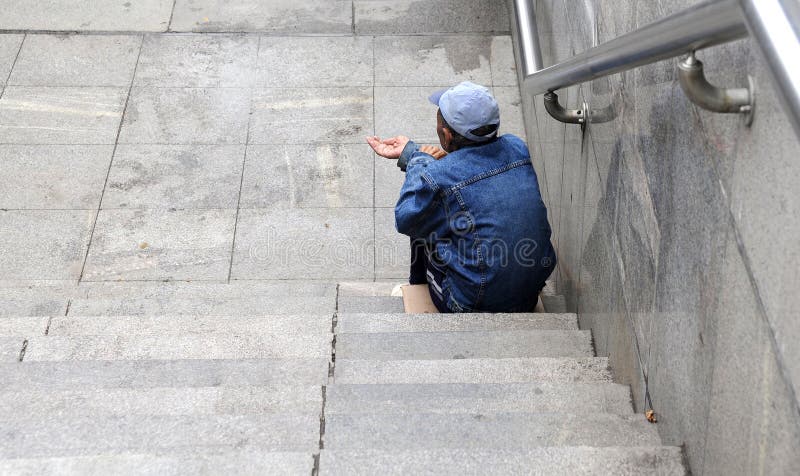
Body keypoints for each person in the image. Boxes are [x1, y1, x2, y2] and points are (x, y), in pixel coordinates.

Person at [367, 81, 556, 313]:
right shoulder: (516, 147)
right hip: (528, 295)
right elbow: (467, 173)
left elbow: (406, 218)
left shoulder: (439, 176)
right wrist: (413, 153)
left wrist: (418, 163)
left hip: (472, 303)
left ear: (446, 136)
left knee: (423, 215)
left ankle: (418, 289)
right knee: (444, 207)